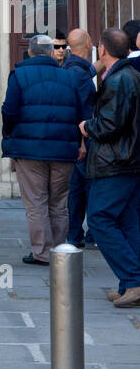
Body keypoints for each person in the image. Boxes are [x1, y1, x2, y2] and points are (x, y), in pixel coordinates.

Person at [1, 33, 84, 266]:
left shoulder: (19, 75)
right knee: (59, 203)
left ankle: (42, 253)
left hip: (29, 150)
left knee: (36, 202)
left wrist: (10, 133)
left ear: (29, 51)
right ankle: (59, 250)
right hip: (64, 151)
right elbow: (80, 114)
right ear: (50, 52)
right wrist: (78, 143)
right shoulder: (69, 77)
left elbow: (9, 110)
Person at [82, 27, 140, 308]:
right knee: (128, 223)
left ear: (102, 50)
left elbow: (109, 125)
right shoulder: (127, 75)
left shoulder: (119, 80)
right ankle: (130, 284)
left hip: (115, 162)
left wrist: (86, 127)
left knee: (100, 220)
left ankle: (132, 279)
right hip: (127, 161)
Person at [64, 28, 98, 248]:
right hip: (84, 140)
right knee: (89, 186)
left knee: (76, 189)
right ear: (88, 44)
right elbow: (83, 110)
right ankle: (91, 233)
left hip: (71, 139)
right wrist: (83, 142)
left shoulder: (69, 69)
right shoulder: (80, 74)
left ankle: (74, 234)